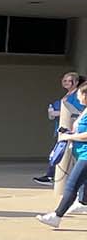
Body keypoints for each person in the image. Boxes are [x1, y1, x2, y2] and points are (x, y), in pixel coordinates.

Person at [37, 75, 87, 227]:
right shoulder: (85, 111)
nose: (78, 98)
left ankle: (57, 216)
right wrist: (69, 133)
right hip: (81, 153)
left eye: (79, 95)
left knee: (72, 185)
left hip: (86, 154)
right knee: (83, 182)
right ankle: (83, 203)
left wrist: (70, 137)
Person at [37, 72, 83, 185]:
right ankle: (52, 175)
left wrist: (58, 113)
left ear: (76, 82)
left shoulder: (77, 95)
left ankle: (52, 176)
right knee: (59, 152)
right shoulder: (66, 95)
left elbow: (77, 111)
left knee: (64, 153)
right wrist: (52, 113)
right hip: (60, 128)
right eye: (64, 80)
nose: (66, 82)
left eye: (69, 80)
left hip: (71, 128)